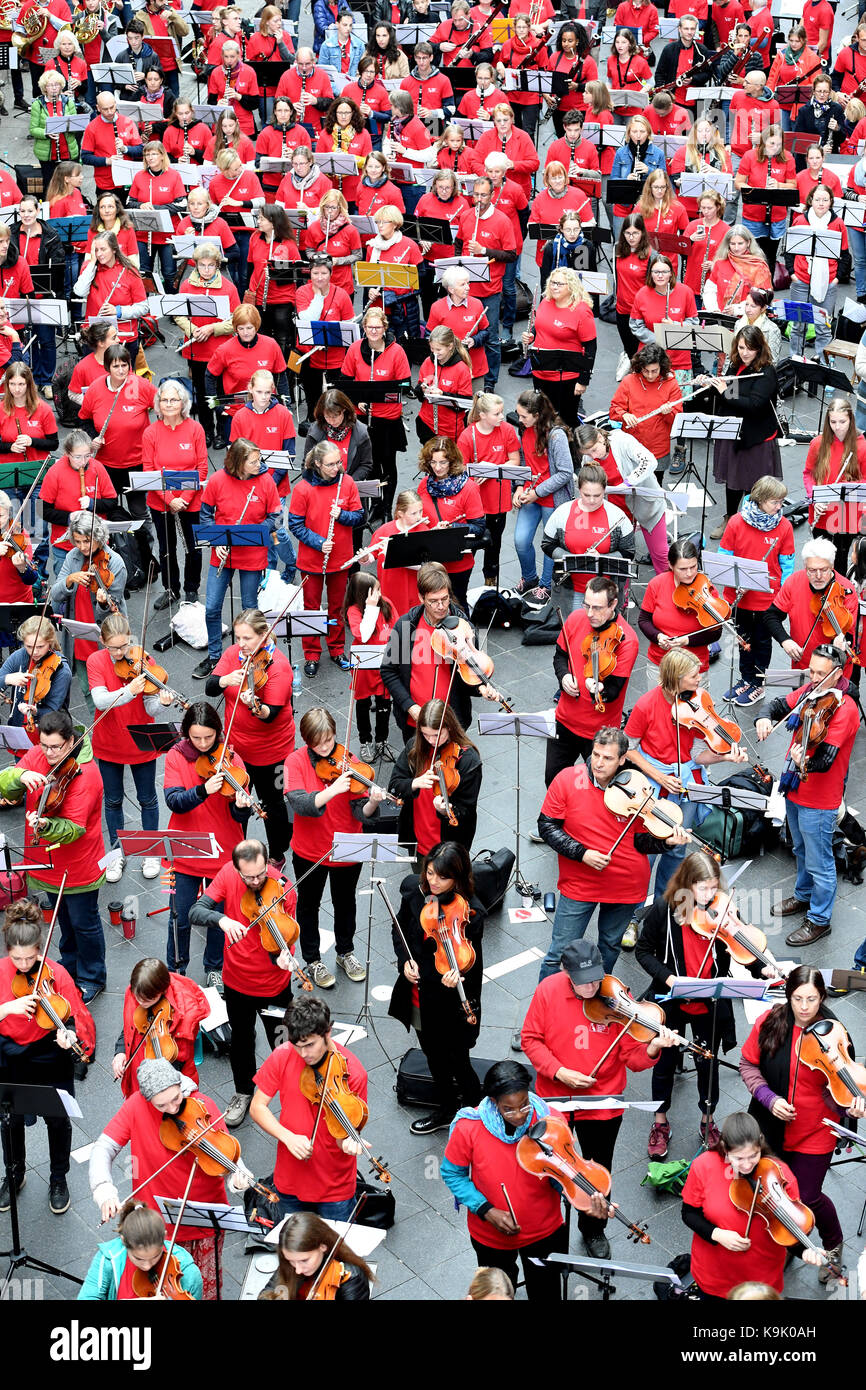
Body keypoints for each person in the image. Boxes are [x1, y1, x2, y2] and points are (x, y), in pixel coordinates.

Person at [521, 940, 676, 1258]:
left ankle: (593, 1229)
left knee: (597, 1167)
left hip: (602, 1102)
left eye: (596, 977)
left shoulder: (618, 998)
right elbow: (531, 1038)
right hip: (556, 1097)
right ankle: (545, 1226)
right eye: (583, 980)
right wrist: (559, 1071)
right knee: (550, 1165)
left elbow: (633, 1058)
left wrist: (653, 1048)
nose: (592, 987)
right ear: (566, 972)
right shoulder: (548, 990)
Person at [636, 851, 773, 1158]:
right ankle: (660, 1122)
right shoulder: (665, 909)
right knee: (664, 1062)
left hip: (709, 999)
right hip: (671, 997)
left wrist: (761, 967)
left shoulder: (723, 907)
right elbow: (643, 951)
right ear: (686, 884)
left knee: (707, 1062)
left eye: (714, 887)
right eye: (703, 888)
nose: (710, 896)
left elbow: (739, 945)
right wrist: (668, 977)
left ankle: (707, 1120)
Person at [740, 964, 864, 1283]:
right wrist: (769, 1098)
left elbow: (846, 1087)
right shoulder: (770, 1022)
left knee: (807, 1196)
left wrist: (854, 1104)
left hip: (816, 1130)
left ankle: (834, 1245)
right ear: (788, 995)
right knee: (775, 1193)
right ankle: (792, 1244)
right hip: (770, 1127)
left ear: (822, 997)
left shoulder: (834, 1034)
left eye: (812, 999)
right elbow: (748, 1063)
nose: (805, 1007)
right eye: (798, 999)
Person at [90, 1057, 252, 1297]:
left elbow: (229, 1154)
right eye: (162, 1105)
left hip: (205, 1218)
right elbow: (104, 1147)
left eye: (176, 1098)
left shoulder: (203, 1105)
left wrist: (238, 1177)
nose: (173, 1109)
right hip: (156, 1226)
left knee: (204, 1290)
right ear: (147, 1099)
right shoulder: (136, 1106)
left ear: (180, 1084)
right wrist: (104, 1190)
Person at [538, 727, 684, 975]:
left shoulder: (638, 787)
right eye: (596, 755)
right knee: (558, 953)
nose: (598, 763)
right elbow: (547, 825)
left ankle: (597, 1003)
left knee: (609, 947)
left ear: (622, 760)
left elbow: (642, 842)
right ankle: (548, 1010)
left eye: (607, 758)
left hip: (625, 885)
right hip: (579, 883)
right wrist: (581, 853)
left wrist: (665, 843)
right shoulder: (566, 779)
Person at [187, 839, 298, 1127]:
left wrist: (282, 959)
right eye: (249, 876)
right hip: (236, 981)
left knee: (283, 1043)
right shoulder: (227, 874)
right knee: (241, 1041)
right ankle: (243, 1092)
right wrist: (222, 920)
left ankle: (291, 1096)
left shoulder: (283, 887)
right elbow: (195, 911)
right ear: (237, 870)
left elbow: (286, 936)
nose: (257, 880)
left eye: (261, 873)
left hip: (275, 985)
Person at [0, 710, 107, 1003]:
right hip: (47, 861)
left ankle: (92, 976)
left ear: (71, 741)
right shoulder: (38, 755)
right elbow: (4, 782)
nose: (48, 753)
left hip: (79, 864)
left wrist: (46, 825)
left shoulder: (87, 776)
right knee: (64, 921)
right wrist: (21, 774)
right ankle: (69, 970)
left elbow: (74, 828)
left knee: (84, 923)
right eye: (44, 746)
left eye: (56, 747)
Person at [755, 644, 860, 947]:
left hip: (819, 798)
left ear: (838, 673)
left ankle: (819, 919)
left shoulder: (845, 710)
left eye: (819, 673)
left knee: (820, 861)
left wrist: (804, 762)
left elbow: (825, 761)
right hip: (794, 788)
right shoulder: (812, 692)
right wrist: (763, 716)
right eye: (810, 671)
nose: (812, 678)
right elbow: (776, 704)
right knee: (800, 848)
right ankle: (803, 896)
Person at [625, 648, 749, 897]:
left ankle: (664, 905)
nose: (699, 679)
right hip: (656, 782)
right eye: (694, 676)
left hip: (687, 782)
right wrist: (659, 777)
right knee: (647, 852)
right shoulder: (646, 704)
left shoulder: (698, 701)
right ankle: (634, 911)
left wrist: (725, 756)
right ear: (676, 678)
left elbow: (696, 756)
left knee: (678, 849)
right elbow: (629, 748)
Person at [441, 1061, 568, 1301]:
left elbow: (567, 1173)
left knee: (546, 1292)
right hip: (491, 1235)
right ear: (493, 1102)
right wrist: (486, 1210)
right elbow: (452, 1174)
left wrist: (584, 1195)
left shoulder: (551, 1121)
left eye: (524, 1105)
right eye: (508, 1109)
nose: (519, 1115)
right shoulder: (469, 1127)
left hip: (544, 1231)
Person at [0, 897, 95, 1215]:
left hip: (49, 1055)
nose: (25, 966)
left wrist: (69, 1035)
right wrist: (6, 1008)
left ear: (40, 950)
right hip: (10, 1056)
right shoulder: (0, 972)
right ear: (8, 951)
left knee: (57, 1120)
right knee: (9, 1120)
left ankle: (58, 1179)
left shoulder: (57, 974)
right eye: (17, 959)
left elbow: (76, 1017)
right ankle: (15, 1174)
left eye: (30, 958)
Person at [283, 707, 384, 988]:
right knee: (308, 905)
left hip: (347, 845)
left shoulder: (347, 760)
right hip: (309, 848)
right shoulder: (295, 761)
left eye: (329, 740)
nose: (326, 747)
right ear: (307, 740)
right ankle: (313, 959)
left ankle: (345, 952)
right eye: (319, 742)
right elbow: (301, 804)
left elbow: (359, 812)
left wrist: (373, 801)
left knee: (345, 902)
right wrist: (332, 790)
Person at [389, 841, 486, 1134]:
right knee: (433, 1055)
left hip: (452, 997)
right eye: (430, 872)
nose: (433, 881)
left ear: (457, 877)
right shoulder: (415, 894)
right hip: (421, 992)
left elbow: (471, 958)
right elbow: (399, 930)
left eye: (441, 877)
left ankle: (478, 1114)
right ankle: (446, 1109)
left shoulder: (472, 911)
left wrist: (459, 976)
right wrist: (405, 961)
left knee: (459, 1060)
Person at [680, 1112, 825, 1299]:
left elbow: (787, 1230)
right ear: (725, 1148)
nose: (747, 1165)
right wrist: (717, 1234)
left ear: (760, 1145)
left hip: (760, 1279)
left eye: (753, 1156)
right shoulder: (703, 1166)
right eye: (738, 1158)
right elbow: (688, 1213)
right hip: (714, 1275)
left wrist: (805, 1250)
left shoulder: (779, 1174)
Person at [249, 994, 368, 1220]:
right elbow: (257, 1107)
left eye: (310, 1044)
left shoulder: (354, 1074)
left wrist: (349, 1144)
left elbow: (345, 1135)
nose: (304, 1054)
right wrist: (288, 1137)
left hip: (334, 1187)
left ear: (328, 1033)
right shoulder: (283, 1055)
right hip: (290, 1180)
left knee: (334, 1252)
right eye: (297, 1045)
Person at [162, 701, 251, 984]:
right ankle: (177, 971)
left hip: (223, 850)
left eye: (208, 738)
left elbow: (239, 815)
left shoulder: (233, 760)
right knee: (180, 917)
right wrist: (202, 790)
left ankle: (215, 968)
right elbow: (174, 802)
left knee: (217, 917)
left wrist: (241, 804)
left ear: (218, 733)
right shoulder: (176, 756)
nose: (202, 744)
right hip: (185, 848)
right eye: (195, 737)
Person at [205, 608, 296, 868]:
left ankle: (277, 855)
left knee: (274, 804)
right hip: (238, 749)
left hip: (273, 751)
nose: (240, 645)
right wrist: (225, 680)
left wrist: (255, 705)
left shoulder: (278, 665)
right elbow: (210, 687)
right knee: (238, 801)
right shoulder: (234, 655)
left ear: (264, 635)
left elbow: (270, 714)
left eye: (247, 639)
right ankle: (240, 854)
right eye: (238, 638)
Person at [87, 612, 172, 884]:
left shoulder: (143, 658)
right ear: (102, 641)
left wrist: (163, 703)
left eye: (124, 645)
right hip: (109, 741)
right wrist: (129, 691)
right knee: (112, 800)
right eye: (114, 647)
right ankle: (116, 853)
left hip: (140, 738)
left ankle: (150, 851)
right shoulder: (95, 661)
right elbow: (101, 702)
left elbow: (150, 706)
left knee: (148, 798)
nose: (121, 652)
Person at [382, 561, 501, 735]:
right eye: (433, 601)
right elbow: (388, 671)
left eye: (445, 599)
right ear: (421, 598)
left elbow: (470, 674)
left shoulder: (464, 628)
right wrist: (410, 706)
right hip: (415, 721)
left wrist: (481, 688)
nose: (441, 606)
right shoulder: (405, 625)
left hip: (451, 722)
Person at [195, 438, 281, 679]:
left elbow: (275, 516)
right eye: (253, 461)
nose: (259, 464)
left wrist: (254, 532)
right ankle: (214, 656)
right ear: (239, 462)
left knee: (249, 609)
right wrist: (217, 540)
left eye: (259, 459)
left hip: (252, 553)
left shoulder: (265, 481)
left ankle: (250, 655)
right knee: (212, 607)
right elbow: (205, 515)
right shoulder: (217, 481)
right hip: (223, 552)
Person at [544, 576, 640, 784]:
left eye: (597, 608)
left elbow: (613, 691)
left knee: (600, 788)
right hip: (565, 721)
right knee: (553, 781)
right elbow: (560, 656)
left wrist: (595, 688)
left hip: (599, 732)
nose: (589, 614)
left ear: (613, 604)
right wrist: (564, 677)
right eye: (587, 605)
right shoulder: (576, 619)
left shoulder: (627, 640)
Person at [717, 476, 796, 705]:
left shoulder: (784, 526)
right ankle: (746, 678)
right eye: (775, 501)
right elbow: (724, 557)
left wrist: (784, 596)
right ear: (760, 500)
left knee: (762, 642)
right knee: (743, 640)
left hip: (767, 599)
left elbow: (788, 566)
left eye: (781, 501)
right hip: (739, 596)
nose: (779, 506)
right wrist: (734, 579)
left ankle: (758, 684)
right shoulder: (736, 522)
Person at [287, 440, 363, 677]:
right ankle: (311, 653)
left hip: (340, 558)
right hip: (312, 560)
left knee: (337, 608)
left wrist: (342, 515)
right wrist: (319, 542)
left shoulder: (347, 483)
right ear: (318, 464)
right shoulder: (303, 489)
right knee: (311, 609)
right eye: (330, 464)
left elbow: (359, 517)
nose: (336, 468)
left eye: (339, 462)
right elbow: (295, 525)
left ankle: (337, 649)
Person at [337, 305, 411, 521]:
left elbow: (404, 385)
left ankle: (387, 505)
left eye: (378, 327)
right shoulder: (355, 349)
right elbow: (346, 383)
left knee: (388, 463)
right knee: (369, 464)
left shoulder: (396, 351)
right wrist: (357, 401)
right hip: (362, 419)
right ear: (364, 328)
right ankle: (375, 503)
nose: (374, 331)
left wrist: (380, 394)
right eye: (370, 327)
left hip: (387, 419)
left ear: (384, 328)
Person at [141, 380, 207, 609]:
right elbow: (149, 471)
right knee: (166, 548)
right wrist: (170, 499)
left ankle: (191, 589)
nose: (169, 404)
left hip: (192, 502)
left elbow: (201, 468)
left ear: (183, 402)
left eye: (174, 399)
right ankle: (171, 589)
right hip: (160, 503)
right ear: (158, 403)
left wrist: (185, 499)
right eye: (164, 400)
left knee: (193, 547)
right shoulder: (150, 433)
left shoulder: (195, 429)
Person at [576, 420, 670, 575]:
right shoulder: (589, 458)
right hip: (618, 509)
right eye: (588, 454)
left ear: (600, 437)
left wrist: (628, 483)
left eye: (594, 450)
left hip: (647, 503)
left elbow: (650, 461)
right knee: (620, 558)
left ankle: (667, 591)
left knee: (660, 554)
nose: (593, 456)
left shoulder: (622, 441)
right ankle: (621, 596)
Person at [390, 698, 482, 855]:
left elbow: (466, 810)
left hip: (449, 846)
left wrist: (445, 811)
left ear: (449, 727)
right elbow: (394, 785)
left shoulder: (468, 760)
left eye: (437, 735)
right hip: (418, 836)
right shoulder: (414, 747)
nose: (431, 741)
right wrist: (414, 783)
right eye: (425, 734)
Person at [49, 513, 127, 696]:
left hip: (104, 634)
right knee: (87, 689)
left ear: (99, 537)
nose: (82, 547)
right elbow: (55, 594)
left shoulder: (115, 563)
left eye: (87, 541)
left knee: (110, 687)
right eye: (77, 541)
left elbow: (113, 606)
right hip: (79, 632)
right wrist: (69, 580)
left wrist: (102, 603)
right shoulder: (72, 557)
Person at [542, 463, 636, 612]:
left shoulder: (617, 516)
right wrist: (571, 558)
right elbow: (547, 544)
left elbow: (629, 552)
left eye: (597, 495)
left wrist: (602, 559)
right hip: (571, 588)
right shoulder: (563, 512)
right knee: (573, 630)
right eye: (586, 495)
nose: (592, 500)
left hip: (606, 591)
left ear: (604, 490)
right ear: (579, 490)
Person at [764, 536, 860, 678]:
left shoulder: (846, 590)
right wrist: (785, 640)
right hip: (802, 665)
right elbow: (771, 616)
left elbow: (848, 634)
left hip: (833, 671)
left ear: (832, 566)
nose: (819, 576)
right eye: (812, 570)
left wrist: (840, 644)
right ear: (805, 567)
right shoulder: (794, 582)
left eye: (824, 569)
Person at [113, 957, 210, 1097]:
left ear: (162, 991)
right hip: (137, 1064)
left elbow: (182, 1057)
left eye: (147, 1000)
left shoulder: (185, 1014)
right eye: (137, 997)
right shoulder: (137, 990)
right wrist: (121, 1051)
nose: (140, 1002)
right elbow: (129, 1026)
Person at [455, 174, 517, 391]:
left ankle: (490, 382)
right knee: (464, 334)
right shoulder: (465, 216)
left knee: (490, 338)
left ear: (492, 195)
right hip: (464, 288)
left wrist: (484, 251)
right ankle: (464, 376)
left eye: (483, 195)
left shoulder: (502, 220)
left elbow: (511, 255)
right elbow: (458, 243)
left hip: (489, 289)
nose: (479, 199)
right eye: (476, 194)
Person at [512, 389, 574, 601]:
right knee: (521, 541)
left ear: (537, 415)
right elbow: (522, 457)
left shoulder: (556, 436)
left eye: (524, 416)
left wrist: (536, 492)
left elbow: (566, 473)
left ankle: (546, 586)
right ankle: (529, 578)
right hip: (531, 493)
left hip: (550, 498)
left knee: (549, 545)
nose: (519, 420)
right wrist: (520, 486)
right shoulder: (524, 428)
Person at [79, 1200, 203, 1300]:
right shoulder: (107, 1259)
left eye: (155, 1256)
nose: (147, 1267)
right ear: (123, 1240)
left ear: (164, 1237)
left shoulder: (187, 1270)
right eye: (138, 1258)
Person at [414, 436, 483, 608]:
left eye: (443, 462)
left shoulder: (469, 488)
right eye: (433, 462)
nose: (437, 468)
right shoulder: (424, 484)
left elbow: (479, 527)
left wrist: (452, 528)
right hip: (432, 560)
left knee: (457, 605)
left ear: (452, 461)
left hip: (458, 562)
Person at [457, 393, 519, 588]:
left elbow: (515, 461)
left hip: (498, 501)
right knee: (469, 546)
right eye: (497, 413)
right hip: (474, 503)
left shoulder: (507, 430)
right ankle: (461, 584)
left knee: (495, 546)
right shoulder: (468, 436)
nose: (502, 417)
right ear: (482, 415)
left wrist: (490, 469)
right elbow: (460, 469)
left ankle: (491, 585)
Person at [522, 267, 595, 429]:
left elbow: (590, 347)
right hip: (541, 370)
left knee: (566, 419)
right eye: (553, 283)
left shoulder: (582, 311)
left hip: (566, 376)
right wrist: (532, 335)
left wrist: (583, 380)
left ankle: (571, 450)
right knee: (543, 415)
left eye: (560, 284)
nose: (554, 287)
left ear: (571, 286)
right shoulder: (546, 301)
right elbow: (539, 324)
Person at [803, 398, 866, 576]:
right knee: (819, 559)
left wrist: (846, 487)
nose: (837, 427)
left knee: (839, 559)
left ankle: (836, 598)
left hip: (846, 513)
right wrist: (815, 498)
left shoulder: (862, 446)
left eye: (842, 422)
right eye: (833, 422)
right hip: (821, 512)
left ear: (851, 420)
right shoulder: (817, 443)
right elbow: (808, 474)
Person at [788, 184, 848, 364]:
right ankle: (795, 361)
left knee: (823, 327)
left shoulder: (838, 224)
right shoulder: (799, 221)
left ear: (831, 202)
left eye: (825, 200)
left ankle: (823, 364)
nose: (821, 203)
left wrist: (836, 279)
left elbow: (845, 255)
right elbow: (789, 250)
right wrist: (792, 273)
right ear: (810, 201)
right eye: (817, 199)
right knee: (798, 325)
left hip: (827, 282)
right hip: (800, 280)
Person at [294, 254, 355, 425]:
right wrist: (319, 296)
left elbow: (348, 326)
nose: (319, 278)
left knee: (337, 401)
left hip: (336, 358)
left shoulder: (341, 295)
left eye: (323, 273)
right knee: (313, 399)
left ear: (330, 274)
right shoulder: (302, 292)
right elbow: (307, 319)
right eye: (315, 273)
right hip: (311, 356)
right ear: (310, 274)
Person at [609, 344, 684, 483]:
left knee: (656, 487)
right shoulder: (629, 381)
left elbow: (677, 421)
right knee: (630, 487)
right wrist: (624, 415)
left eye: (654, 371)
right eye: (646, 371)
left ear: (662, 366)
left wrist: (668, 413)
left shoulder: (671, 385)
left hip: (658, 447)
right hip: (631, 446)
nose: (650, 375)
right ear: (640, 367)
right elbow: (614, 409)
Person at [261, 1210, 373, 1299]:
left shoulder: (352, 1278)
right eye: (291, 1261)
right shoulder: (293, 1261)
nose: (298, 1270)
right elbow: (275, 1287)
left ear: (322, 1247)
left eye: (304, 1260)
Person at [342, 572, 394, 760]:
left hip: (384, 665)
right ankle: (365, 741)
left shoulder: (386, 603)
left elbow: (396, 629)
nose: (380, 594)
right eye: (375, 591)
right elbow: (363, 635)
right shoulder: (354, 611)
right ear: (363, 594)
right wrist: (371, 609)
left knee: (384, 705)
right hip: (364, 667)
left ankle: (382, 740)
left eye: (379, 589)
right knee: (363, 705)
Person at [734, 125, 797, 273]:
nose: (775, 148)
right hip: (753, 214)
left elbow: (793, 185)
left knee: (770, 255)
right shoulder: (750, 156)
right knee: (753, 253)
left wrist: (778, 185)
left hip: (777, 215)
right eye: (772, 144)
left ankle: (768, 287)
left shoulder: (787, 157)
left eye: (779, 144)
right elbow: (738, 183)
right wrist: (756, 191)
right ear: (763, 141)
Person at [629, 254, 698, 381]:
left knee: (678, 400)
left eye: (664, 272)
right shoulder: (642, 294)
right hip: (650, 358)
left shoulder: (685, 292)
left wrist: (675, 326)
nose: (660, 276)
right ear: (651, 273)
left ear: (671, 273)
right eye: (656, 272)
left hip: (679, 359)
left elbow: (694, 322)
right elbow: (635, 325)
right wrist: (659, 340)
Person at [0, 614, 71, 737]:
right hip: (19, 727)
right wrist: (7, 679)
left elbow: (52, 709)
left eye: (40, 646)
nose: (35, 652)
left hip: (50, 732)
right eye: (29, 646)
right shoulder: (20, 656)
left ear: (49, 642)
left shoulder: (62, 670)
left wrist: (35, 711)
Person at [416, 328, 473, 447]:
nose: (435, 353)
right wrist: (422, 389)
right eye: (432, 349)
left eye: (439, 349)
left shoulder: (461, 369)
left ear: (450, 346)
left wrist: (443, 395)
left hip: (449, 428)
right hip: (427, 423)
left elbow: (465, 402)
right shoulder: (428, 362)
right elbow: (419, 393)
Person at [702, 225, 772, 316]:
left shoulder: (759, 267)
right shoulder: (720, 263)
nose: (736, 248)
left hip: (747, 320)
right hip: (720, 317)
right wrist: (714, 309)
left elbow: (763, 297)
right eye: (732, 244)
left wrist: (737, 309)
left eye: (740, 243)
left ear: (748, 243)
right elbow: (710, 290)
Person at [614, 214, 652, 365]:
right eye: (627, 233)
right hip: (622, 310)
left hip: (640, 313)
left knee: (642, 353)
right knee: (629, 350)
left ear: (642, 233)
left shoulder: (650, 255)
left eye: (635, 233)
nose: (631, 237)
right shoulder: (618, 250)